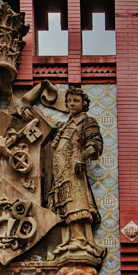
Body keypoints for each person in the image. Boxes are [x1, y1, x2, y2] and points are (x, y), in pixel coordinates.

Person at [48, 86, 103, 251]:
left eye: (76, 101)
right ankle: (68, 239)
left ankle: (80, 240)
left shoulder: (87, 122)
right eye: (69, 101)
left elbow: (95, 143)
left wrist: (82, 157)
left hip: (74, 171)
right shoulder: (65, 125)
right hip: (62, 173)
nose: (72, 104)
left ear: (84, 104)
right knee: (64, 203)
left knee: (76, 203)